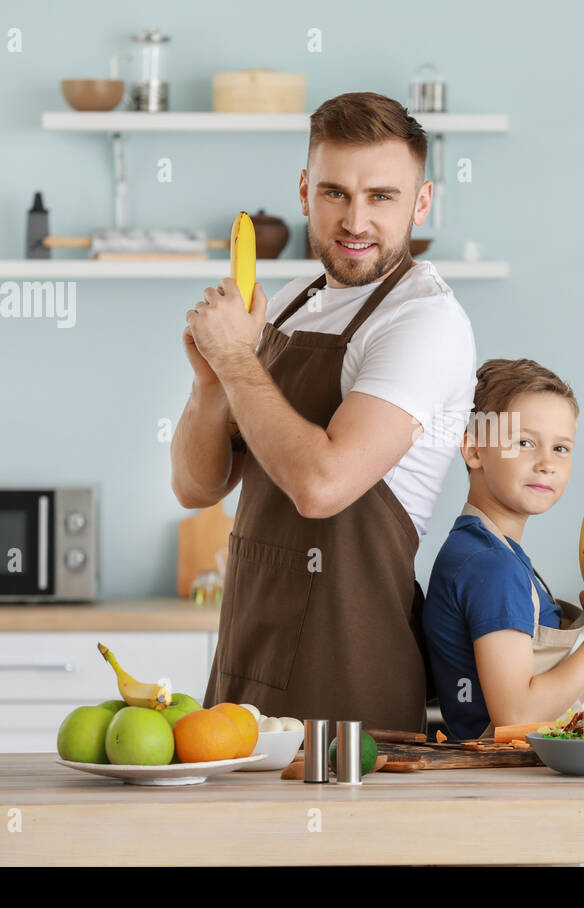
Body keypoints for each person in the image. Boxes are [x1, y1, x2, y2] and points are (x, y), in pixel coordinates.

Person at [172, 92, 476, 734]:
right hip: (248, 657)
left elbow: (321, 485)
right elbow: (197, 486)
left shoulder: (424, 321)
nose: (355, 221)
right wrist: (209, 383)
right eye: (335, 193)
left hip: (349, 675)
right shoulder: (286, 301)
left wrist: (237, 363)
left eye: (382, 197)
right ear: (306, 192)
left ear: (421, 203)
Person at [421, 358, 584, 740]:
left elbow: (550, 709)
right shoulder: (491, 566)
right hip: (497, 783)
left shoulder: (499, 555)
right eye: (524, 442)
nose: (546, 463)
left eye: (561, 448)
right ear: (474, 450)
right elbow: (515, 715)